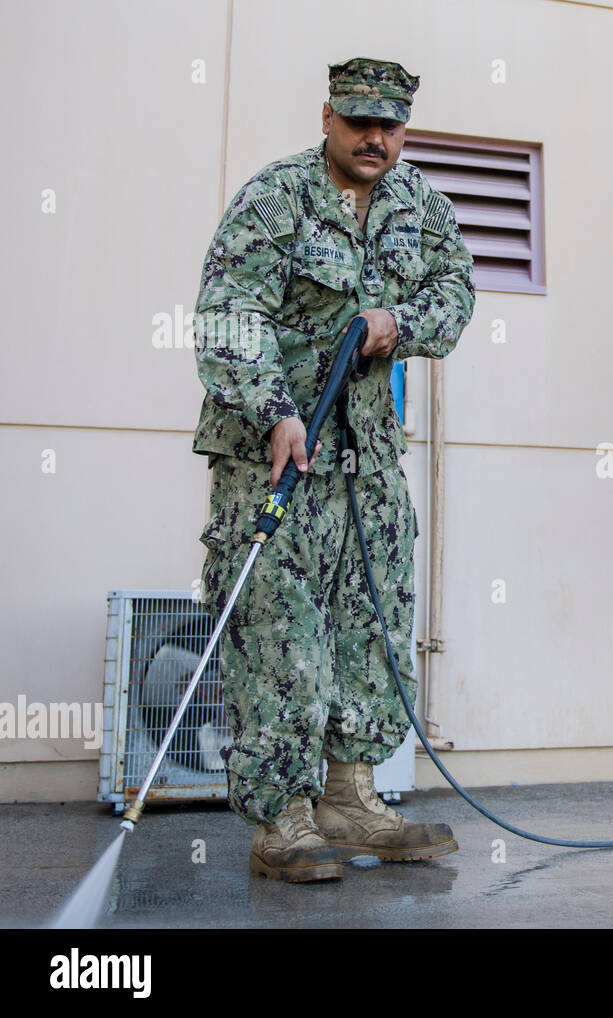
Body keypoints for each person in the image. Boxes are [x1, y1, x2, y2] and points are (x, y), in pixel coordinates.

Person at [191, 57, 475, 882]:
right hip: (276, 455)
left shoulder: (421, 207)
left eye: (388, 124)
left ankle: (349, 795)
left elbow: (456, 290)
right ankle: (282, 820)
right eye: (358, 121)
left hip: (367, 459)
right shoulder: (275, 199)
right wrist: (274, 407)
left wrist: (400, 320)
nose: (374, 137)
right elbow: (227, 316)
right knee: (283, 635)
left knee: (373, 620)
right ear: (327, 118)